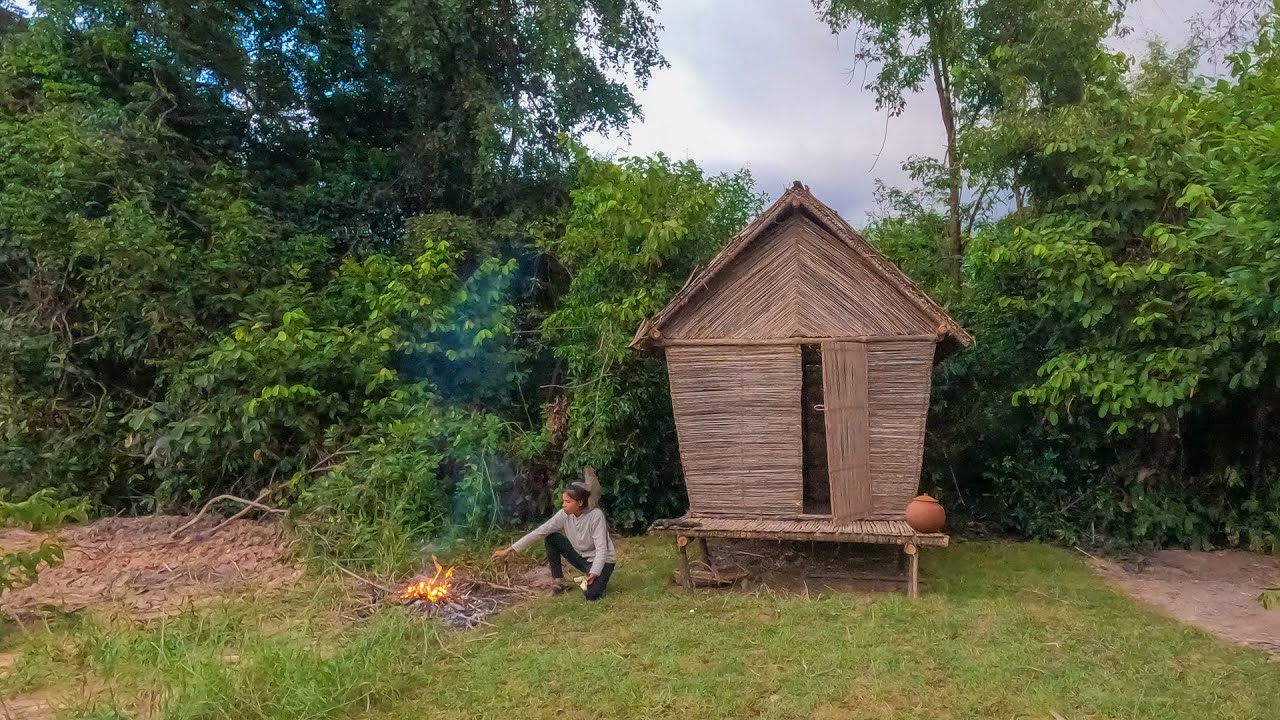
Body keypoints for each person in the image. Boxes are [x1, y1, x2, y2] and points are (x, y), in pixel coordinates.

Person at [492, 482, 616, 600]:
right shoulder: (564, 515)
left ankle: (594, 577)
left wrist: (594, 572)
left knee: (591, 595)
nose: (563, 505)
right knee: (552, 538)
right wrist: (508, 550)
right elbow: (540, 531)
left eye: (568, 502)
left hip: (603, 561)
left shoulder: (595, 516)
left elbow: (602, 549)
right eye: (564, 501)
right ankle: (559, 581)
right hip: (583, 558)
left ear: (579, 503)